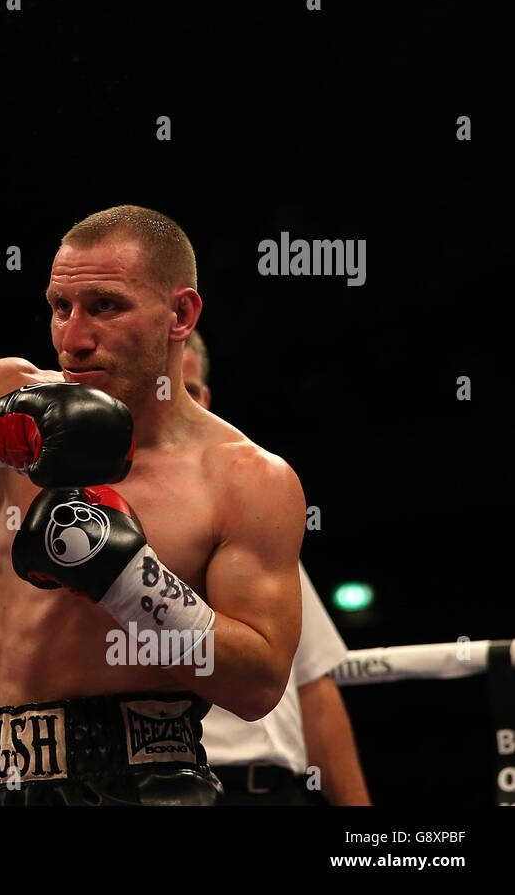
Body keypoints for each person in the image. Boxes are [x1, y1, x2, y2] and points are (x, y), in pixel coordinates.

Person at [0, 205, 304, 805]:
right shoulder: (10, 396)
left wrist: (128, 581)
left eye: (105, 307)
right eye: (61, 307)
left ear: (181, 314)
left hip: (148, 783)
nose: (74, 337)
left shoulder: (247, 478)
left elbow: (259, 685)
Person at [184, 332, 371, 805]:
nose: (170, 408)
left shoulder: (255, 517)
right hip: (169, 788)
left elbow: (312, 688)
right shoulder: (93, 524)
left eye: (185, 394)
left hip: (278, 792)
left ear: (206, 401)